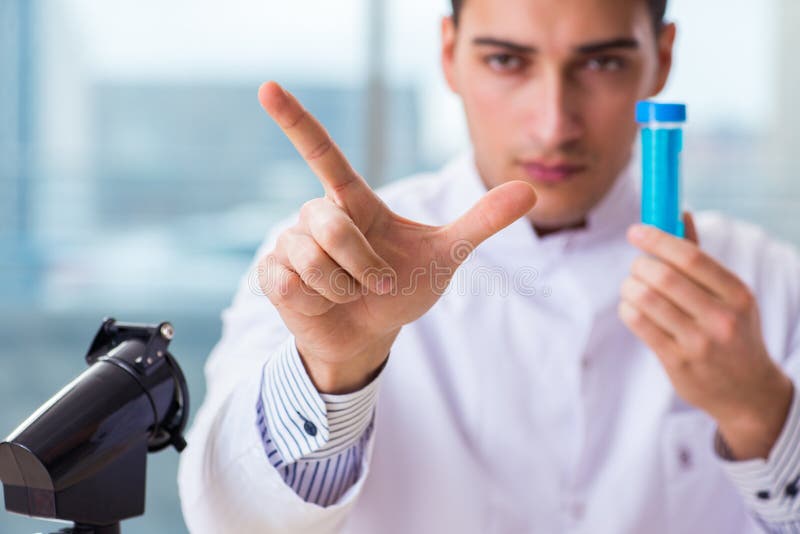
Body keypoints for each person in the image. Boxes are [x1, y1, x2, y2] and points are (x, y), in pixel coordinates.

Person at [177, 0, 800, 532]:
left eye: (602, 62)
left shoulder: (766, 282)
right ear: (449, 55)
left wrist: (762, 415)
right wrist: (333, 370)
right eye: (506, 60)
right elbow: (232, 517)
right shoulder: (326, 264)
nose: (555, 123)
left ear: (661, 58)